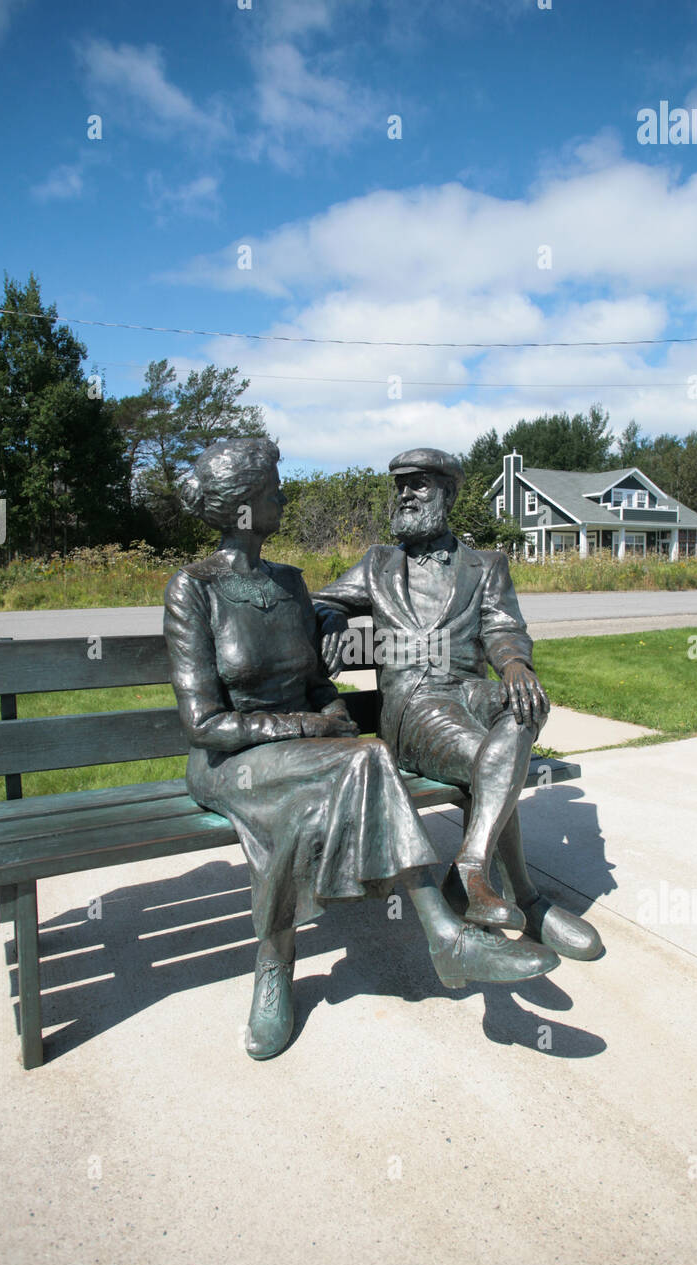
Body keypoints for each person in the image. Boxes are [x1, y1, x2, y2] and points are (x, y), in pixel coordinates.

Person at [163, 438, 559, 1061]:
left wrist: (330, 713)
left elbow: (320, 686)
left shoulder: (291, 584)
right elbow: (206, 723)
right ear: (243, 506)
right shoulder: (193, 588)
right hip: (227, 761)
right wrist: (311, 728)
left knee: (372, 758)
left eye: (420, 483)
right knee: (356, 768)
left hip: (316, 749)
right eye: (273, 489)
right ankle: (280, 962)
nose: (284, 495)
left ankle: (459, 913)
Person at [314, 447, 603, 961]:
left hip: (470, 690)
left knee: (524, 710)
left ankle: (471, 865)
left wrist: (515, 666)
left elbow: (504, 628)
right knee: (490, 762)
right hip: (417, 706)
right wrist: (335, 619)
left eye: (419, 484)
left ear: (447, 493)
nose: (405, 494)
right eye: (400, 485)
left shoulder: (487, 565)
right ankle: (525, 898)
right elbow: (321, 599)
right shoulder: (379, 563)